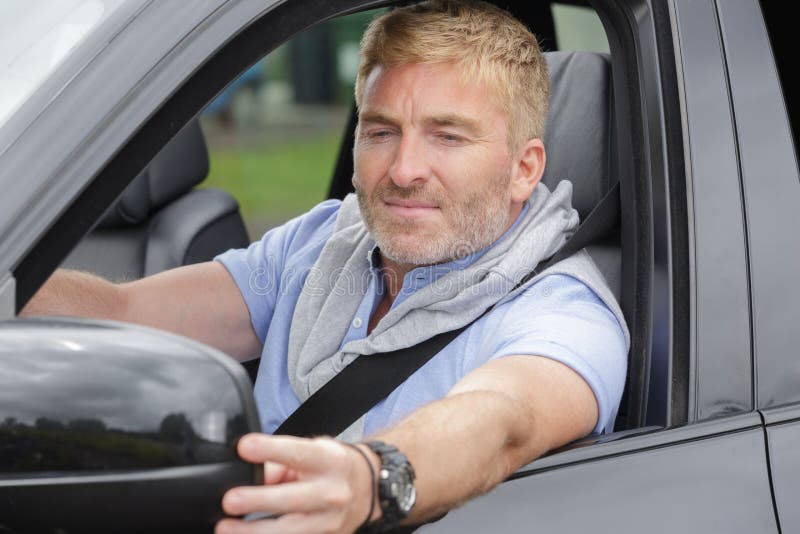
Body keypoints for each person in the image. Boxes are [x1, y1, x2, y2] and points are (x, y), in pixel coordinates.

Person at [22, 1, 629, 532]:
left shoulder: (567, 313)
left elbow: (502, 420)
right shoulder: (323, 239)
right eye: (381, 131)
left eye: (448, 136)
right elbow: (125, 312)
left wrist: (371, 478)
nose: (404, 169)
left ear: (526, 168)